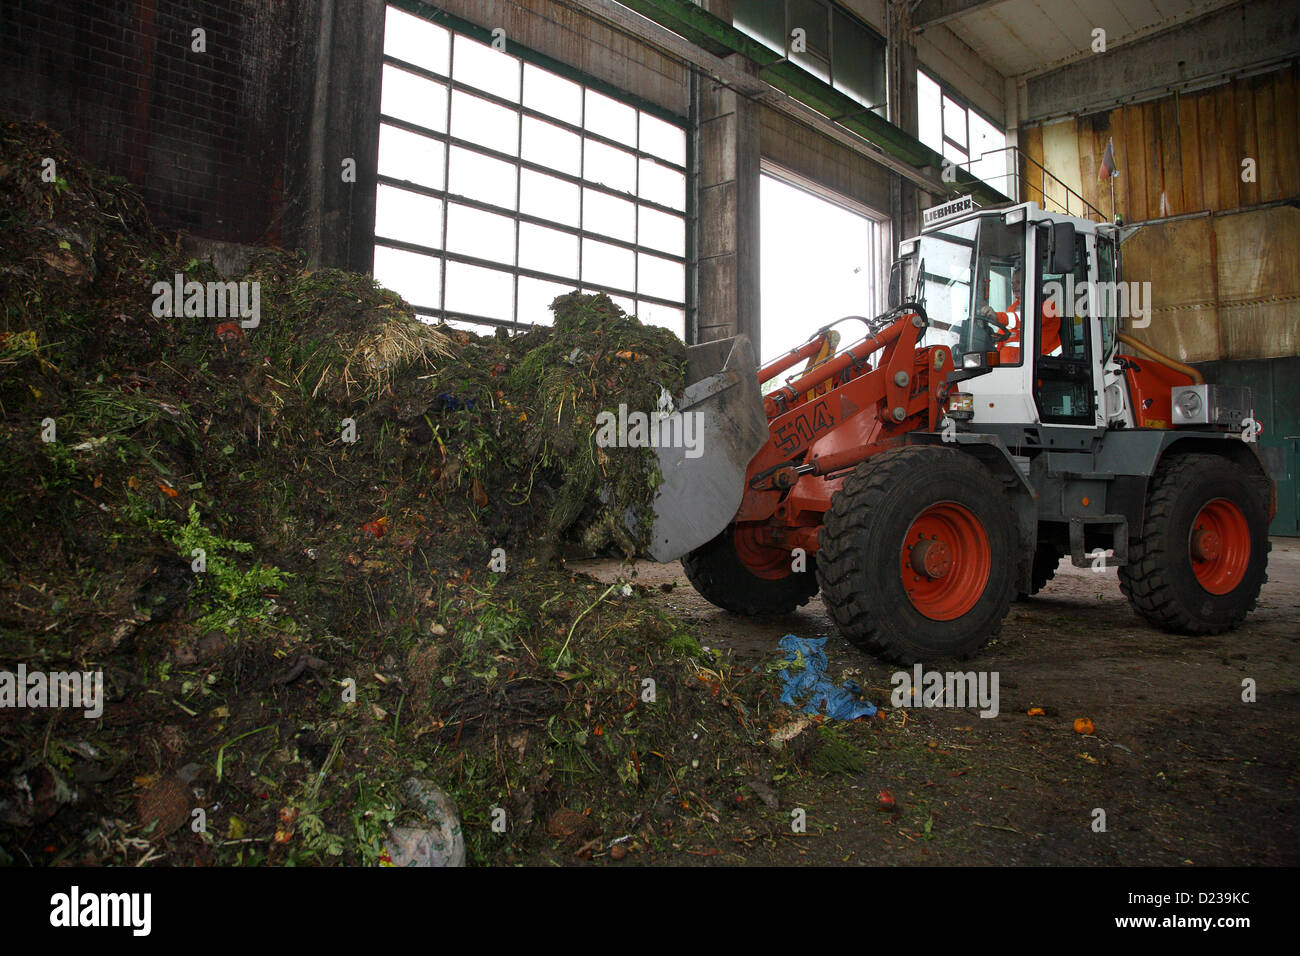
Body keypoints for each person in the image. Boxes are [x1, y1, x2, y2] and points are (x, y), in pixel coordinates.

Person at [976, 264, 1062, 363]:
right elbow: (1003, 335)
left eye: (1018, 282)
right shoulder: (1013, 308)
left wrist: (997, 316)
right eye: (1012, 283)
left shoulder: (1048, 307)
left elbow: (1025, 319)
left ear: (1031, 282)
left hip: (1040, 368)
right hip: (1011, 369)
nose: (1014, 286)